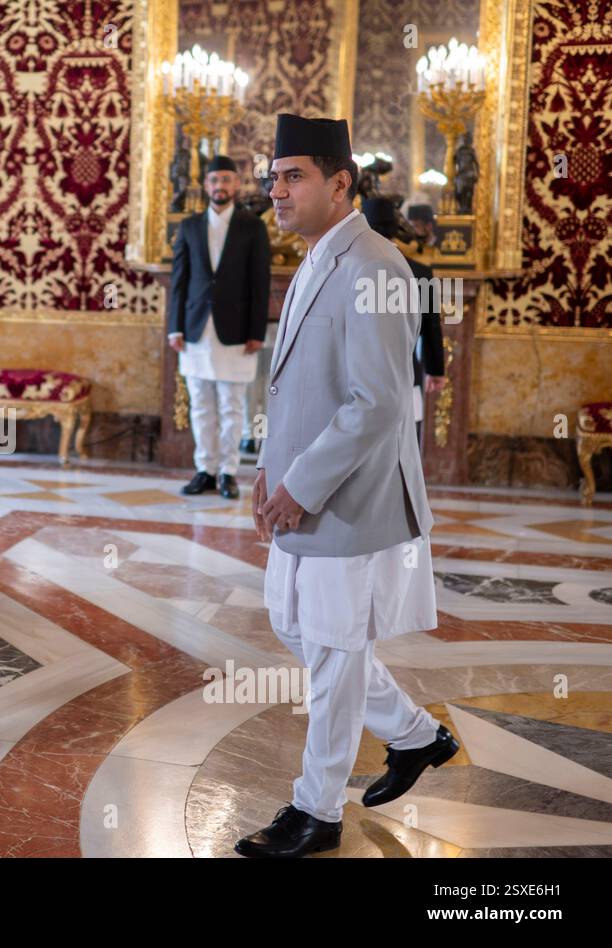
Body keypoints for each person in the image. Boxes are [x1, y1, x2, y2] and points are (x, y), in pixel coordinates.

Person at [237, 114, 458, 858]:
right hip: (304, 485)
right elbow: (300, 385)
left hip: (350, 498)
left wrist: (302, 486)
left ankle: (316, 812)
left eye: (292, 176)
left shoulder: (376, 265)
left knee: (331, 649)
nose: (277, 190)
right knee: (296, 626)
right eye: (273, 177)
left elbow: (380, 401)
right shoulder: (316, 258)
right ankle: (415, 736)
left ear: (341, 183)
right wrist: (271, 464)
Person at [167, 155, 270, 500]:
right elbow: (178, 281)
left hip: (237, 330)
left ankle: (227, 472)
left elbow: (260, 282)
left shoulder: (252, 227)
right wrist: (174, 327)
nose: (220, 187)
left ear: (236, 184)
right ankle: (204, 470)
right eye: (214, 181)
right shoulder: (190, 226)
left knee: (231, 405)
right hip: (195, 328)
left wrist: (257, 330)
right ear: (207, 185)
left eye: (226, 180)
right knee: (200, 403)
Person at [361, 196, 445, 448]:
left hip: (359, 376)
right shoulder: (421, 272)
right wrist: (436, 369)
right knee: (402, 444)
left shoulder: (351, 267)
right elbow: (431, 326)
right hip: (405, 373)